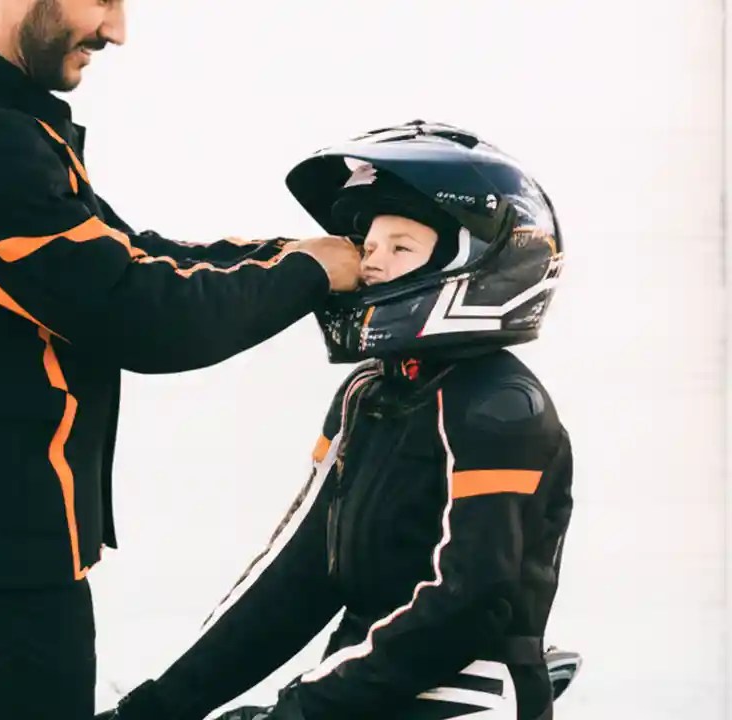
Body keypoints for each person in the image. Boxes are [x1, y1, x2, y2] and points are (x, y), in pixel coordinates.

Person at [0, 2, 363, 718]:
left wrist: (299, 255)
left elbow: (130, 258)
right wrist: (310, 275)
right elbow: (141, 316)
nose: (117, 30)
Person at [99, 120, 574, 720]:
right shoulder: (366, 391)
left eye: (401, 247)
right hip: (356, 689)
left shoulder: (500, 405)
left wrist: (298, 711)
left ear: (475, 263)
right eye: (368, 246)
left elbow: (468, 602)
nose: (372, 264)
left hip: (469, 696)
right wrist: (159, 707)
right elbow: (295, 579)